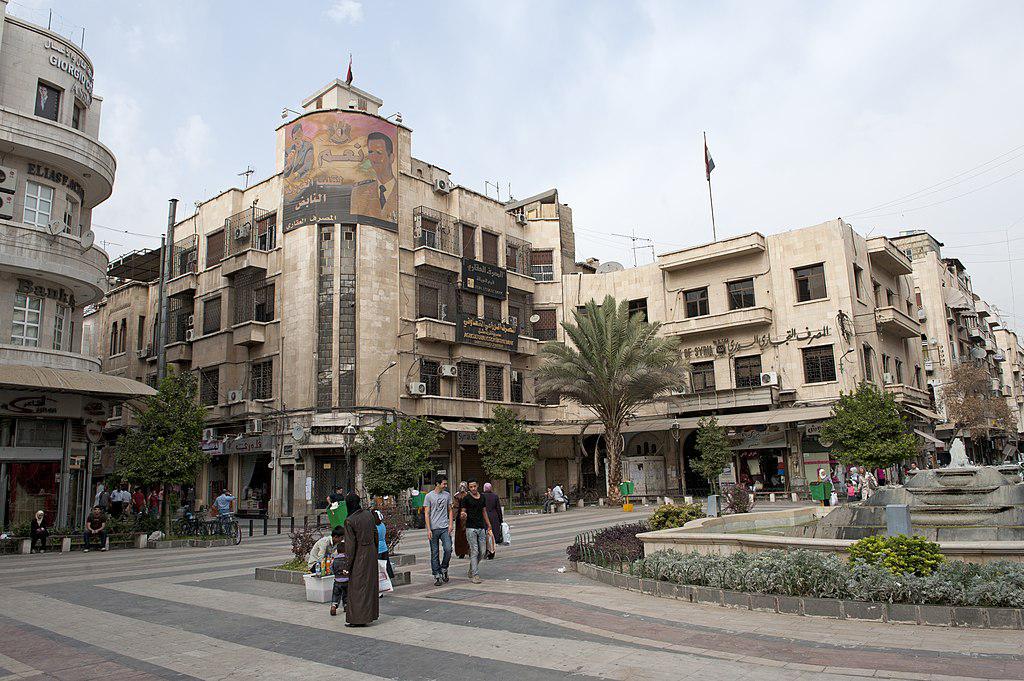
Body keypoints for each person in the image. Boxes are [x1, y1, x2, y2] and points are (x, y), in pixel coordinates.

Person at [341, 493, 379, 627]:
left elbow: (350, 546)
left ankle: (357, 619)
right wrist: (374, 551)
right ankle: (369, 615)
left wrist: (347, 566)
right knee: (369, 585)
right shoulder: (368, 515)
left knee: (357, 587)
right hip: (371, 552)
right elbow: (375, 534)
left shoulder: (349, 521)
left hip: (359, 555)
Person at [350, 131, 397, 220]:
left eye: (379, 152)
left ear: (391, 158)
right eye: (371, 152)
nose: (374, 158)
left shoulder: (401, 191)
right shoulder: (359, 192)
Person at [460, 480, 493, 584]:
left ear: (478, 485)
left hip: (481, 527)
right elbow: (463, 512)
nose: (473, 488)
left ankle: (472, 567)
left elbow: (484, 511)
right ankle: (475, 575)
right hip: (470, 528)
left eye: (474, 486)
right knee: (474, 551)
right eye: (471, 487)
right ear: (468, 488)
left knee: (482, 552)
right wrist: (463, 515)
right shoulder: (466, 498)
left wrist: (488, 524)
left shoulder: (482, 497)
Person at [424, 477, 454, 586]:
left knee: (448, 549)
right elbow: (426, 513)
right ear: (437, 484)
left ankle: (444, 568)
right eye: (444, 484)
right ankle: (437, 574)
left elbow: (450, 510)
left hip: (445, 527)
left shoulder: (447, 495)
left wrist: (450, 524)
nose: (446, 485)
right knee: (434, 552)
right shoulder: (429, 496)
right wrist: (428, 529)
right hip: (433, 528)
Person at [482, 482, 504, 558]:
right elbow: (498, 508)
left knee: (485, 535)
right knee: (492, 535)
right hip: (494, 518)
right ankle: (492, 551)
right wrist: (500, 519)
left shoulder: (481, 496)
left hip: (484, 517)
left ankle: (486, 550)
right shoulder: (495, 496)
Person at [373, 509, 394, 587]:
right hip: (384, 548)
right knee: (386, 567)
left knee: (379, 569)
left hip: (377, 549)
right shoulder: (382, 525)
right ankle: (388, 582)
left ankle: (381, 585)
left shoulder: (374, 527)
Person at [330, 533, 349, 617]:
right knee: (346, 594)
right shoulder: (347, 559)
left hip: (337, 581)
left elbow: (331, 568)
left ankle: (334, 606)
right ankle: (346, 606)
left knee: (336, 594)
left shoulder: (335, 559)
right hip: (347, 581)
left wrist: (335, 574)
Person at [453, 481, 469, 559]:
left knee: (461, 535)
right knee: (467, 534)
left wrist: (454, 516)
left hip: (461, 518)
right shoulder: (468, 495)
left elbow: (455, 507)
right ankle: (466, 551)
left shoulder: (457, 495)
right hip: (466, 517)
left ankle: (462, 552)